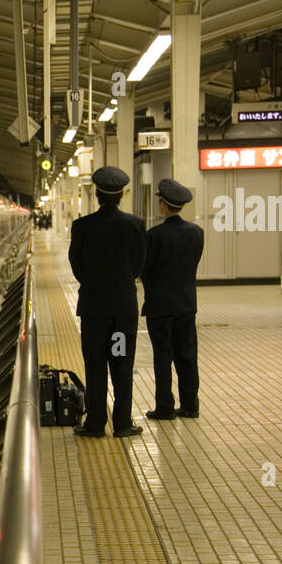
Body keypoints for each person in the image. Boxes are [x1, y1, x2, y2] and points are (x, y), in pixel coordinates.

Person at [69, 166, 146, 438]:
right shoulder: (136, 225)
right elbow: (139, 264)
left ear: (97, 194)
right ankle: (123, 423)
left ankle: (95, 423)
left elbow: (76, 265)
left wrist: (93, 284)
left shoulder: (81, 226)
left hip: (93, 311)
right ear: (122, 194)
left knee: (95, 364)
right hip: (122, 312)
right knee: (121, 363)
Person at [141, 178, 204, 420]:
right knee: (187, 355)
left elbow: (144, 270)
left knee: (163, 356)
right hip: (187, 304)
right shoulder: (197, 233)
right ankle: (190, 405)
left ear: (163, 205)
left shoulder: (154, 236)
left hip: (159, 305)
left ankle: (165, 407)